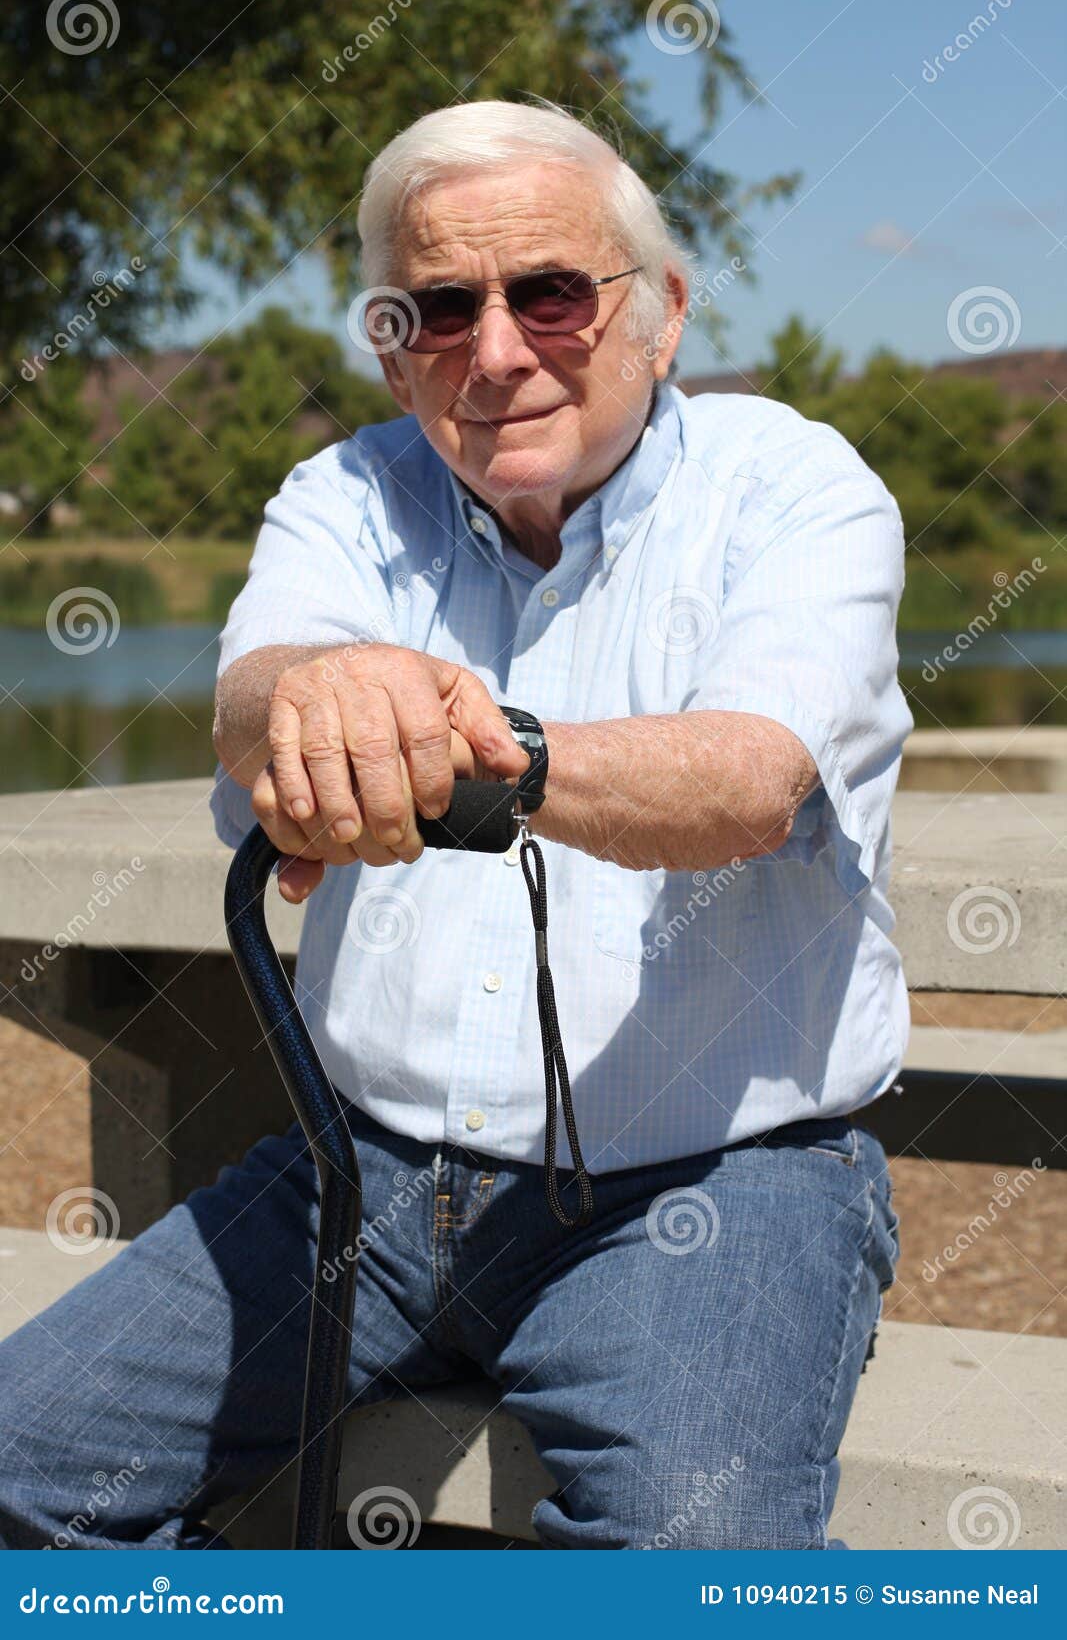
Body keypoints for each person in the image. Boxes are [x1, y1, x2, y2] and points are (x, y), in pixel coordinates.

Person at [0, 97, 904, 1550]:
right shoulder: (346, 492)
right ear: (388, 338)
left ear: (662, 312)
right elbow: (254, 707)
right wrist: (323, 693)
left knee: (689, 1568)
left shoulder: (795, 487)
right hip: (354, 1165)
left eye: (549, 293)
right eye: (436, 309)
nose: (493, 352)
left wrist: (479, 749)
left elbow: (748, 781)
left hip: (712, 1183)